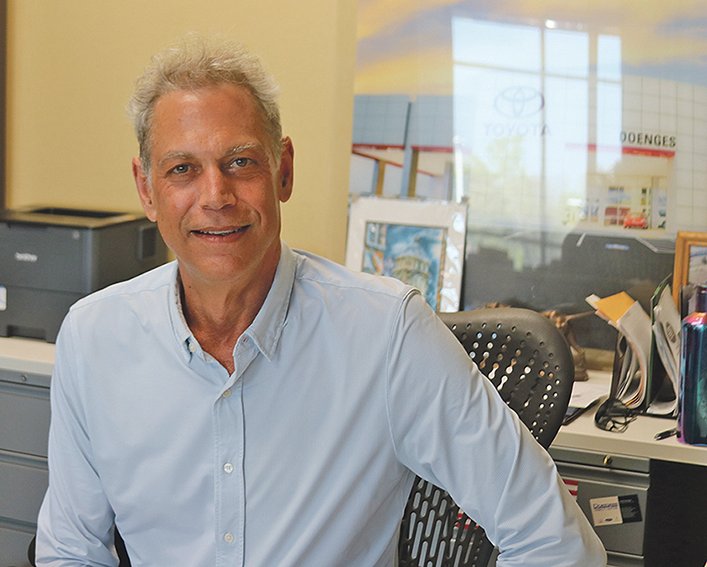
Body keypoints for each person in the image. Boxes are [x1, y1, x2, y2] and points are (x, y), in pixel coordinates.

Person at [34, 34, 605, 567]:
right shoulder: (93, 338)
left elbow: (552, 539)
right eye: (183, 169)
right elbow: (71, 552)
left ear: (282, 170)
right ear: (146, 190)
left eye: (240, 162)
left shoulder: (387, 333)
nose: (216, 196)